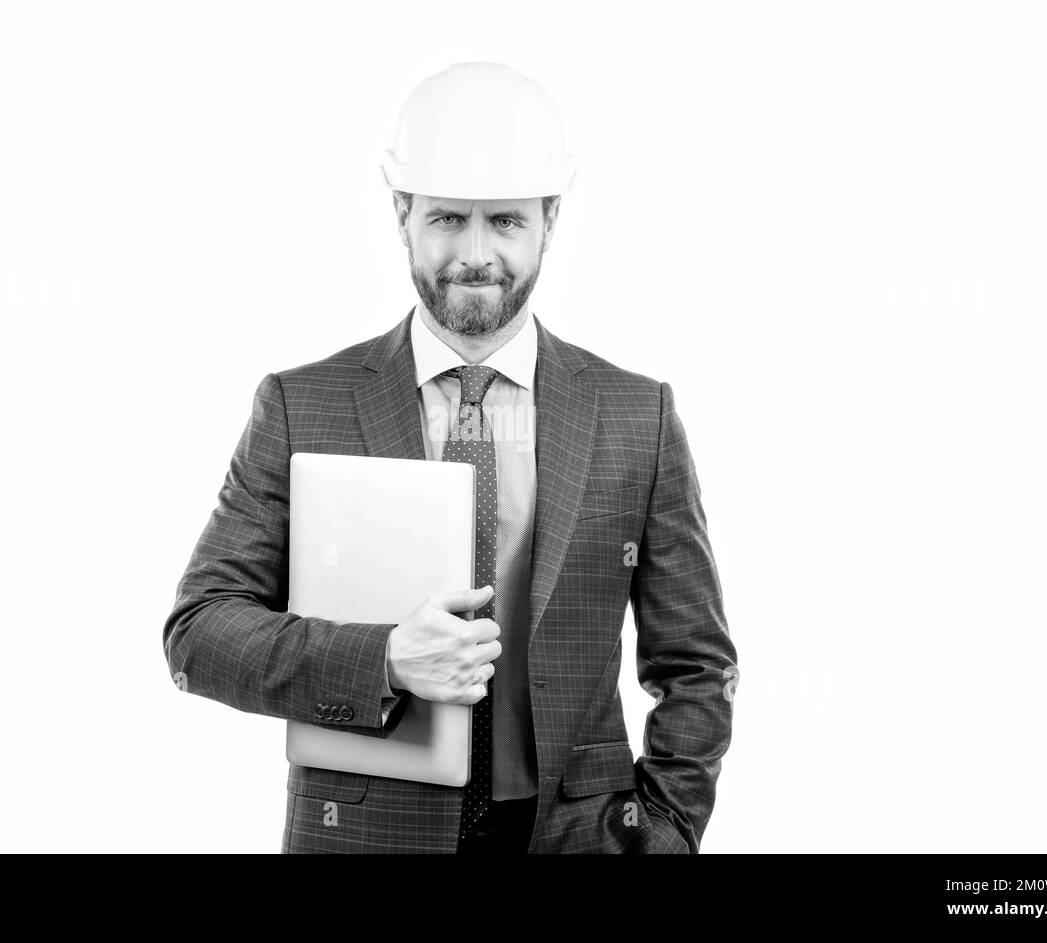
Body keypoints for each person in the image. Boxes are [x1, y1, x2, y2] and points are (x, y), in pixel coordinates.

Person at [162, 62, 738, 854]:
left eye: (504, 220)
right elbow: (198, 632)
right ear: (402, 214)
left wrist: (665, 833)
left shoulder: (639, 414)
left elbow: (697, 665)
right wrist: (385, 658)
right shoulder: (302, 404)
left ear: (550, 219)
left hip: (576, 836)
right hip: (364, 836)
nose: (474, 254)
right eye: (445, 220)